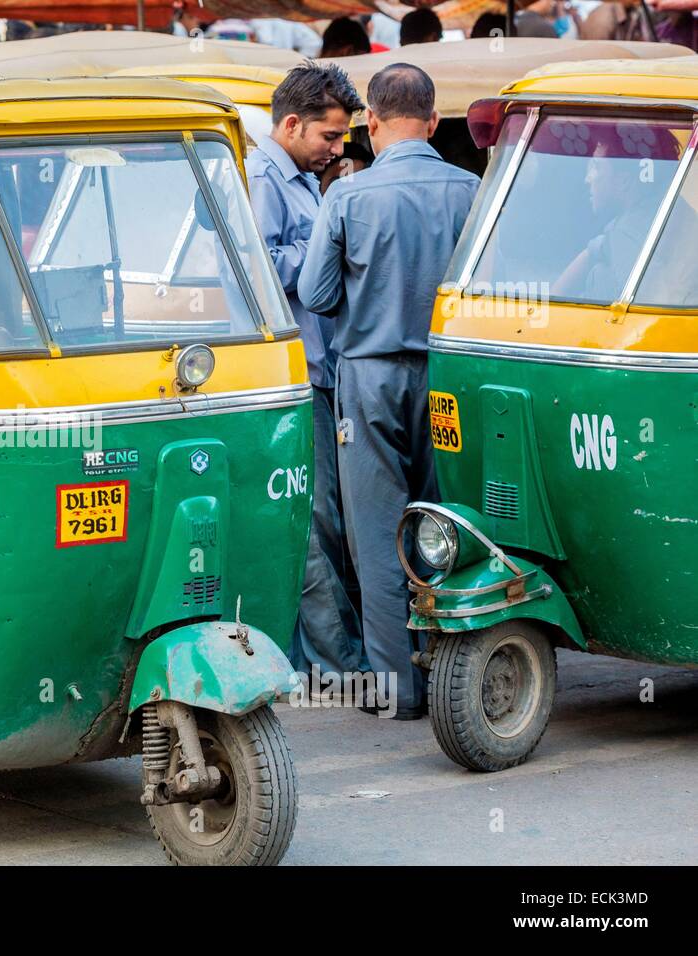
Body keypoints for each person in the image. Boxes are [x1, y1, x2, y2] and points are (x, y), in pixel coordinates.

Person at [298, 64, 479, 720]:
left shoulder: (348, 197)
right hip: (447, 379)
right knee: (446, 525)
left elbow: (317, 296)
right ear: (432, 123)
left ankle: (398, 690)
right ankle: (456, 671)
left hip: (369, 379)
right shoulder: (469, 190)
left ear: (370, 123)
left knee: (377, 536)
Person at [247, 63, 367, 686]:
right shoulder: (265, 178)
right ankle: (334, 662)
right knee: (316, 519)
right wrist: (326, 248)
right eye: (329, 136)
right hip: (294, 373)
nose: (337, 148)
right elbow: (258, 267)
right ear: (292, 125)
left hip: (322, 366)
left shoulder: (305, 178)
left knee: (331, 514)